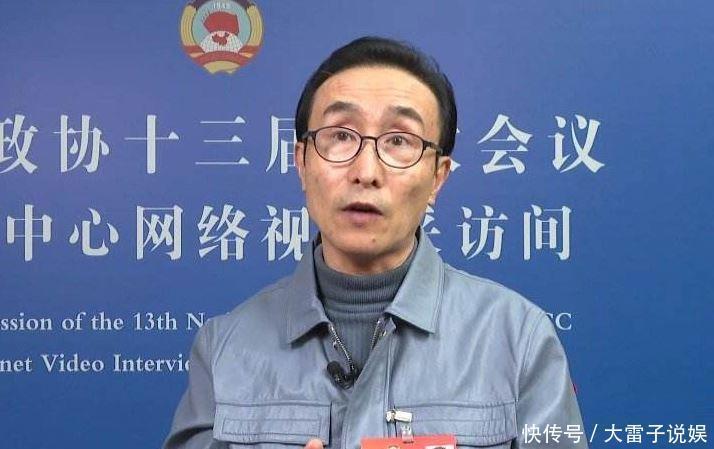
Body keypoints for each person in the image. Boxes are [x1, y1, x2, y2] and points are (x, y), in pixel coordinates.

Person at [163, 36, 587, 449]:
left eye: (399, 141)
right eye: (341, 135)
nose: (365, 172)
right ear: (301, 162)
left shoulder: (518, 339)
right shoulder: (225, 347)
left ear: (438, 177)